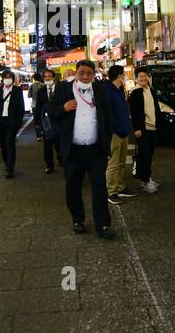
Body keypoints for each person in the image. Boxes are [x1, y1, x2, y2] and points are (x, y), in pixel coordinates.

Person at [49, 59, 116, 238]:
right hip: (73, 149)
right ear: (76, 73)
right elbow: (50, 110)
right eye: (82, 73)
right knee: (73, 185)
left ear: (93, 75)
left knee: (99, 186)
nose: (85, 76)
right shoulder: (64, 89)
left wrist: (106, 143)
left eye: (89, 73)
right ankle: (77, 220)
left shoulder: (100, 91)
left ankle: (103, 225)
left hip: (95, 149)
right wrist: (63, 108)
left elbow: (107, 118)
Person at [104, 65, 135, 205]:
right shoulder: (107, 91)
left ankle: (120, 187)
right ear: (118, 76)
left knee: (121, 162)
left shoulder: (120, 89)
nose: (125, 77)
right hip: (114, 133)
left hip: (124, 131)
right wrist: (114, 130)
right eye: (123, 74)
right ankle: (111, 192)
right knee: (113, 163)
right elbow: (108, 115)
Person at [0, 69, 26, 178]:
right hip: (0, 121)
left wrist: (18, 122)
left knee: (10, 143)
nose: (7, 79)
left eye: (9, 78)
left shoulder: (17, 91)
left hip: (11, 122)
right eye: (5, 77)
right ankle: (6, 162)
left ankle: (10, 168)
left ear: (13, 80)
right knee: (4, 145)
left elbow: (21, 108)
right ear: (2, 79)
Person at [128, 66, 160, 193]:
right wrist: (137, 128)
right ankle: (145, 181)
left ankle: (147, 178)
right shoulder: (136, 92)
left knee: (149, 155)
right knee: (144, 156)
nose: (143, 78)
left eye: (145, 76)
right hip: (143, 129)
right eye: (140, 76)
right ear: (136, 79)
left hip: (152, 128)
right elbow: (135, 112)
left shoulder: (150, 90)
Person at [32, 68, 59, 173]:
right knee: (47, 145)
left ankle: (61, 159)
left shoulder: (60, 88)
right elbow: (38, 107)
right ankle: (49, 165)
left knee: (59, 143)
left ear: (53, 77)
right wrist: (38, 123)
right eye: (46, 77)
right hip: (46, 122)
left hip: (59, 120)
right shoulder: (41, 91)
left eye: (49, 77)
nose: (48, 78)